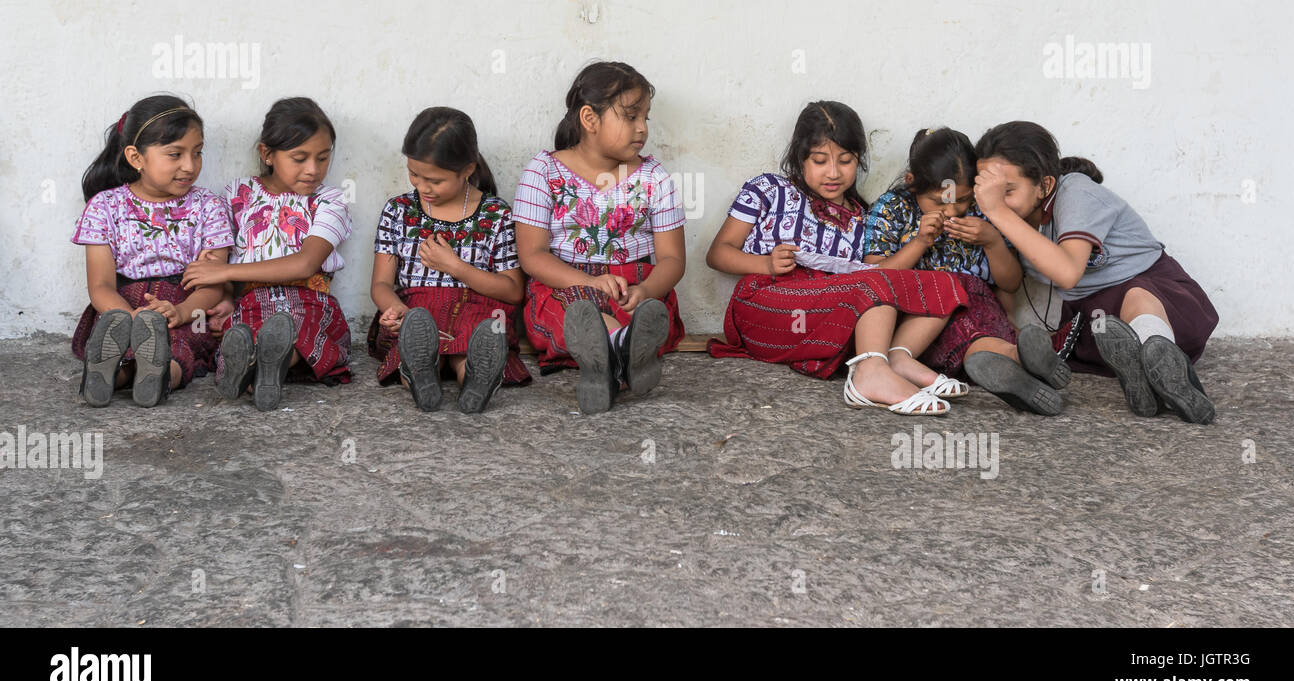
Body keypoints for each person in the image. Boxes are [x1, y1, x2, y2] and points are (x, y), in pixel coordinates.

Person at [706, 102, 970, 416]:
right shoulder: (768, 190)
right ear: (799, 157)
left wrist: (921, 242)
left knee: (942, 284)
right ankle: (868, 375)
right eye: (819, 161)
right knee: (868, 284)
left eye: (845, 161)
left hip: (831, 313)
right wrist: (764, 264)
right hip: (767, 304)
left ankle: (896, 357)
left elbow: (881, 276)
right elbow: (717, 253)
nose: (833, 173)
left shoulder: (863, 218)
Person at [973, 120, 1217, 423]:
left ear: (1045, 185)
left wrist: (997, 210)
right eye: (987, 191)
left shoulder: (1075, 192)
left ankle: (1161, 358)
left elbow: (1067, 273)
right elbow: (1008, 284)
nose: (992, 201)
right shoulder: (1010, 218)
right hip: (1097, 328)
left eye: (1007, 190)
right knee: (1105, 332)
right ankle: (1142, 377)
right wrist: (993, 238)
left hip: (1166, 304)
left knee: (1137, 296)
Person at [513, 62, 686, 414]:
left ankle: (607, 361)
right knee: (576, 311)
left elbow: (672, 259)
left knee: (641, 314)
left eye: (646, 118)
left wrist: (646, 291)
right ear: (589, 119)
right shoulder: (543, 172)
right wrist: (590, 282)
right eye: (631, 116)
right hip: (564, 284)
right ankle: (623, 352)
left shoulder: (654, 177)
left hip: (632, 287)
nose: (642, 129)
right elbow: (532, 255)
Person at [865, 127, 1069, 415]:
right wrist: (920, 243)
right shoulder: (894, 207)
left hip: (978, 307)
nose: (952, 211)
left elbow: (1010, 284)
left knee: (976, 327)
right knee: (955, 313)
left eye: (961, 200)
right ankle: (1019, 359)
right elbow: (873, 279)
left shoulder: (984, 208)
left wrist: (992, 240)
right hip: (917, 315)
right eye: (939, 201)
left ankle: (1016, 365)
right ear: (912, 184)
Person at [182, 97, 353, 411]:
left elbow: (306, 264)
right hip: (252, 300)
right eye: (299, 158)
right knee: (245, 330)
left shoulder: (330, 201)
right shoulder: (238, 194)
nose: (313, 170)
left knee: (297, 328)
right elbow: (220, 254)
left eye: (323, 158)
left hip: (310, 298)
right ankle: (255, 371)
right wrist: (225, 297)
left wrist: (226, 273)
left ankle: (266, 367)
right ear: (267, 154)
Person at [72, 96, 232, 407]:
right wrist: (131, 320)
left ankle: (153, 377)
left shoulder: (208, 206)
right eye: (175, 154)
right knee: (126, 342)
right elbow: (101, 286)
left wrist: (182, 312)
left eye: (197, 153)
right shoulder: (104, 207)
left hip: (187, 305)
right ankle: (110, 374)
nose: (190, 165)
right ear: (136, 157)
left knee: (177, 344)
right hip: (119, 308)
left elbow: (213, 282)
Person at [368, 107, 530, 413]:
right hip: (415, 310)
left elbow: (512, 291)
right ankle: (419, 376)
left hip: (477, 308)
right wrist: (394, 308)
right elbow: (380, 283)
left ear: (467, 169)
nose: (422, 186)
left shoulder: (496, 214)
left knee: (473, 344)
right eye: (414, 173)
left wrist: (454, 266)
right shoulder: (397, 211)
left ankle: (474, 382)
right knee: (418, 339)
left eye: (435, 180)